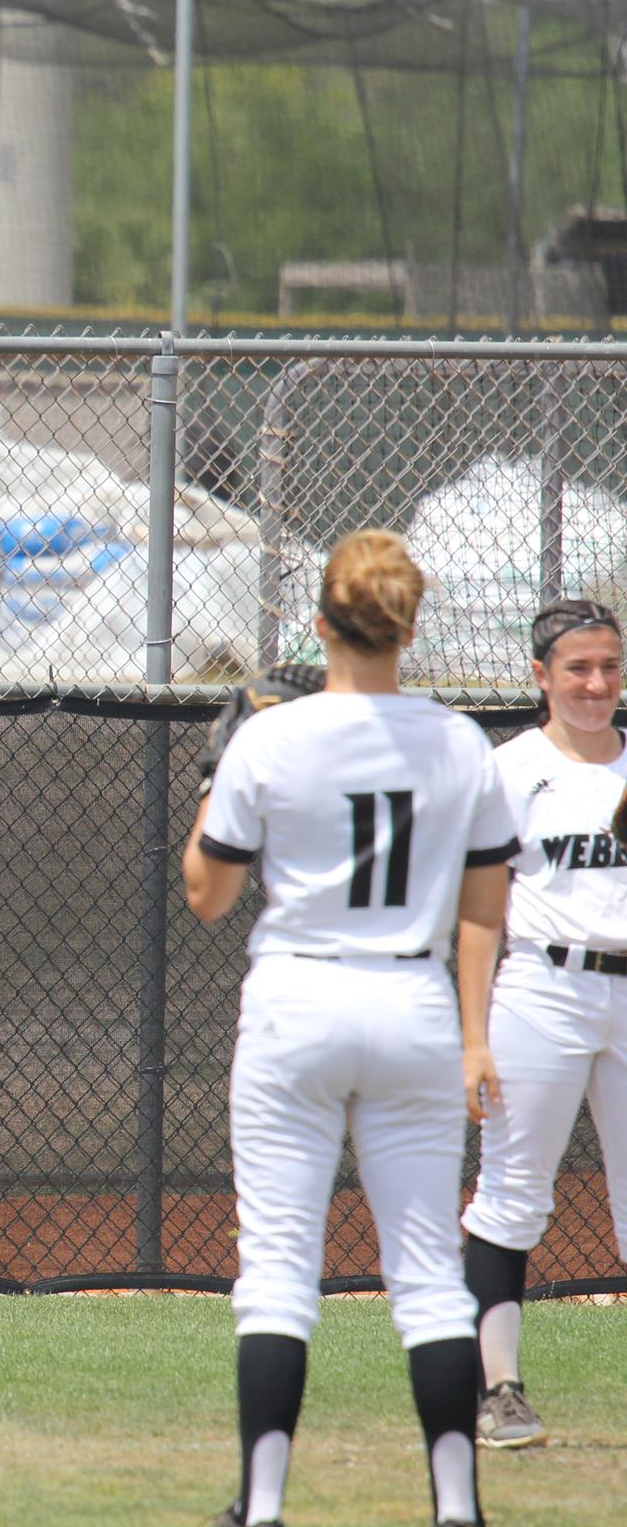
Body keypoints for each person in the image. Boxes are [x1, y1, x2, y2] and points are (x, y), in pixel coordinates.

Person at [183, 529, 516, 1527]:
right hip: (413, 1002)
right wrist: (474, 1037)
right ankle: (456, 1508)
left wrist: (213, 775)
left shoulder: (273, 737)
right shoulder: (459, 741)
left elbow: (207, 893)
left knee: (279, 1274)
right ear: (408, 631)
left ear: (320, 625)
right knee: (429, 1280)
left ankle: (263, 1507)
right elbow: (485, 906)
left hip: (299, 998)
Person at [458, 598, 627, 1449]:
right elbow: (479, 912)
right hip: (543, 986)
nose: (596, 684)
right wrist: (473, 1037)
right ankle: (499, 1390)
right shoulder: (510, 770)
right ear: (540, 675)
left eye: (610, 666)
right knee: (512, 1195)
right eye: (577, 668)